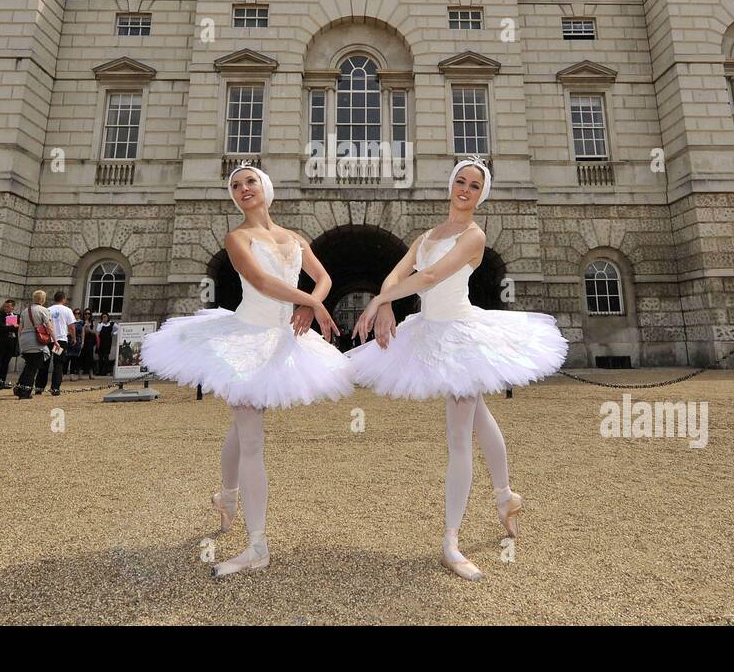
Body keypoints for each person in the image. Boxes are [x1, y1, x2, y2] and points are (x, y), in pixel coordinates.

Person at [348, 159, 568, 581]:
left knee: (458, 437)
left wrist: (378, 302)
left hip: (461, 335)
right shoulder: (428, 234)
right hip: (429, 331)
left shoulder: (474, 236)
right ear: (451, 186)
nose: (465, 189)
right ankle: (505, 497)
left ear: (481, 194)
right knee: (479, 415)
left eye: (474, 185)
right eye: (461, 182)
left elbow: (430, 275)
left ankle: (451, 540)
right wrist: (387, 297)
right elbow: (402, 268)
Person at [140, 164, 351, 577]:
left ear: (265, 187)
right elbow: (261, 282)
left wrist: (312, 302)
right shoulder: (236, 237)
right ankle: (257, 545)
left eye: (249, 182)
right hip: (243, 339)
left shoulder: (294, 238)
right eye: (235, 186)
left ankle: (228, 498)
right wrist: (311, 302)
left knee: (242, 426)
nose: (242, 189)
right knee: (251, 436)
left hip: (281, 339)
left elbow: (323, 277)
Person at [15, 290, 53, 400]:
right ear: (42, 299)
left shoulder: (25, 311)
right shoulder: (44, 310)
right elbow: (49, 327)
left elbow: (20, 329)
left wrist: (20, 341)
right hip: (36, 341)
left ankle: (19, 388)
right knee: (33, 368)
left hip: (24, 340)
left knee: (28, 366)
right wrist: (54, 340)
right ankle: (25, 392)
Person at [44, 291, 76, 397]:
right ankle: (55, 388)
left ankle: (39, 387)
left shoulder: (48, 309)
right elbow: (71, 326)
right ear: (63, 299)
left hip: (49, 339)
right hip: (60, 340)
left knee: (45, 363)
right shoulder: (67, 310)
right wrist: (74, 337)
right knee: (58, 364)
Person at [0, 299, 19, 389]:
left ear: (12, 307)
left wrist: (13, 327)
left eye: (8, 306)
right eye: (5, 306)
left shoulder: (17, 317)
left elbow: (18, 329)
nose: (5, 308)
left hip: (10, 343)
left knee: (5, 363)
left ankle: (2, 381)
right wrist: (11, 327)